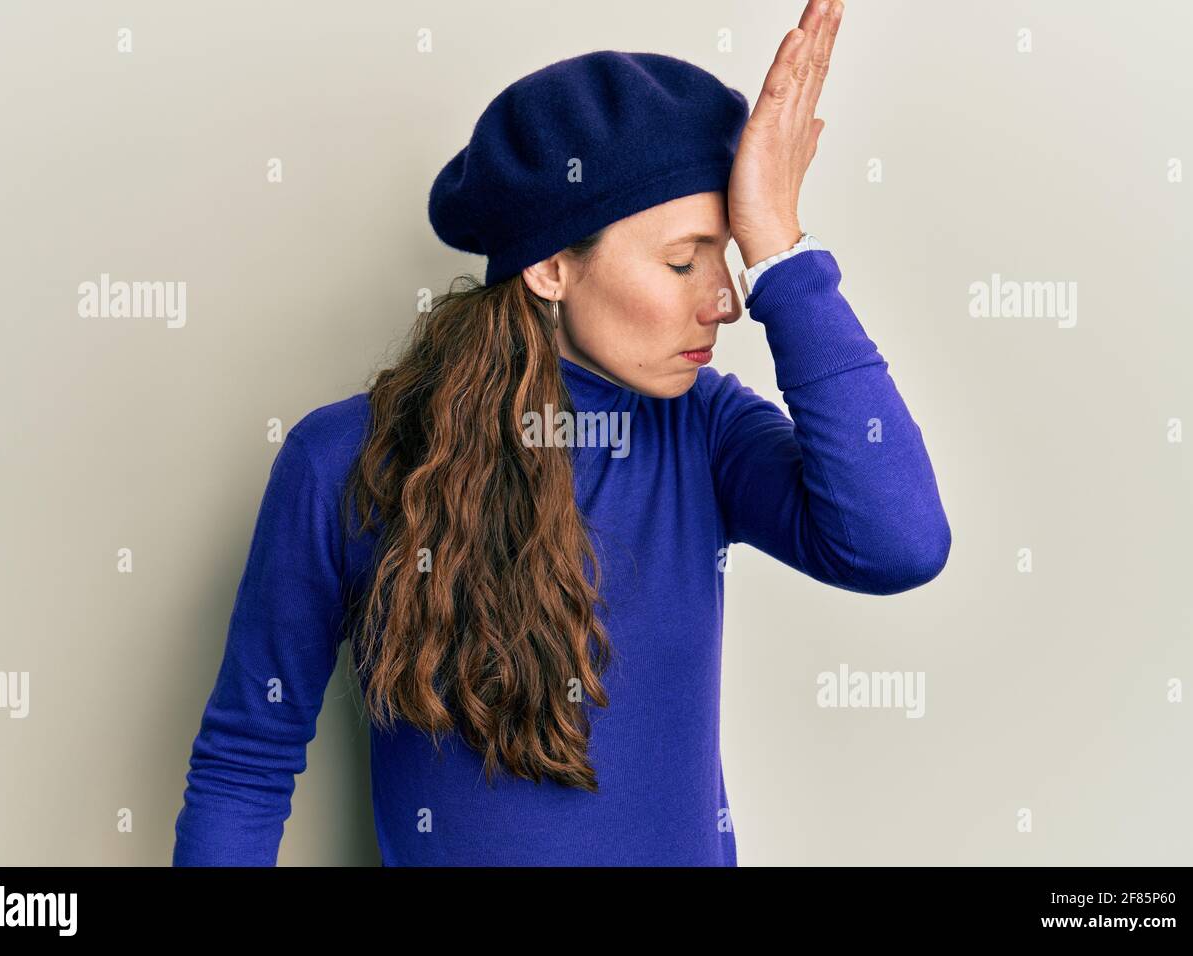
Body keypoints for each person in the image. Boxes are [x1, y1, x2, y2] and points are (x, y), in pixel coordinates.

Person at [173, 0, 948, 866]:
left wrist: (784, 254)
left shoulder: (705, 431)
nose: (726, 299)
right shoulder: (344, 461)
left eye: (731, 258)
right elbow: (248, 760)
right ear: (549, 266)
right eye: (683, 259)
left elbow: (899, 543)